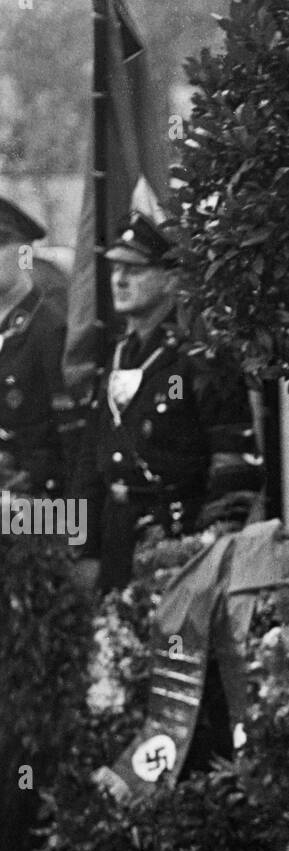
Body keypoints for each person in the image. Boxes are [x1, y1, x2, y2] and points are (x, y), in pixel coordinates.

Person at [72, 211, 262, 593]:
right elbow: (91, 465)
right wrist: (84, 549)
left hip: (178, 543)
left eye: (136, 270)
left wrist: (204, 551)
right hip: (116, 539)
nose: (120, 280)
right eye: (115, 270)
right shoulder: (115, 357)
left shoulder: (203, 359)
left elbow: (233, 469)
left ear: (172, 280)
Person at [0, 196, 70, 496]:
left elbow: (67, 435)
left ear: (25, 253)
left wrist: (31, 474)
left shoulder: (50, 328)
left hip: (33, 499)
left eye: (0, 244)